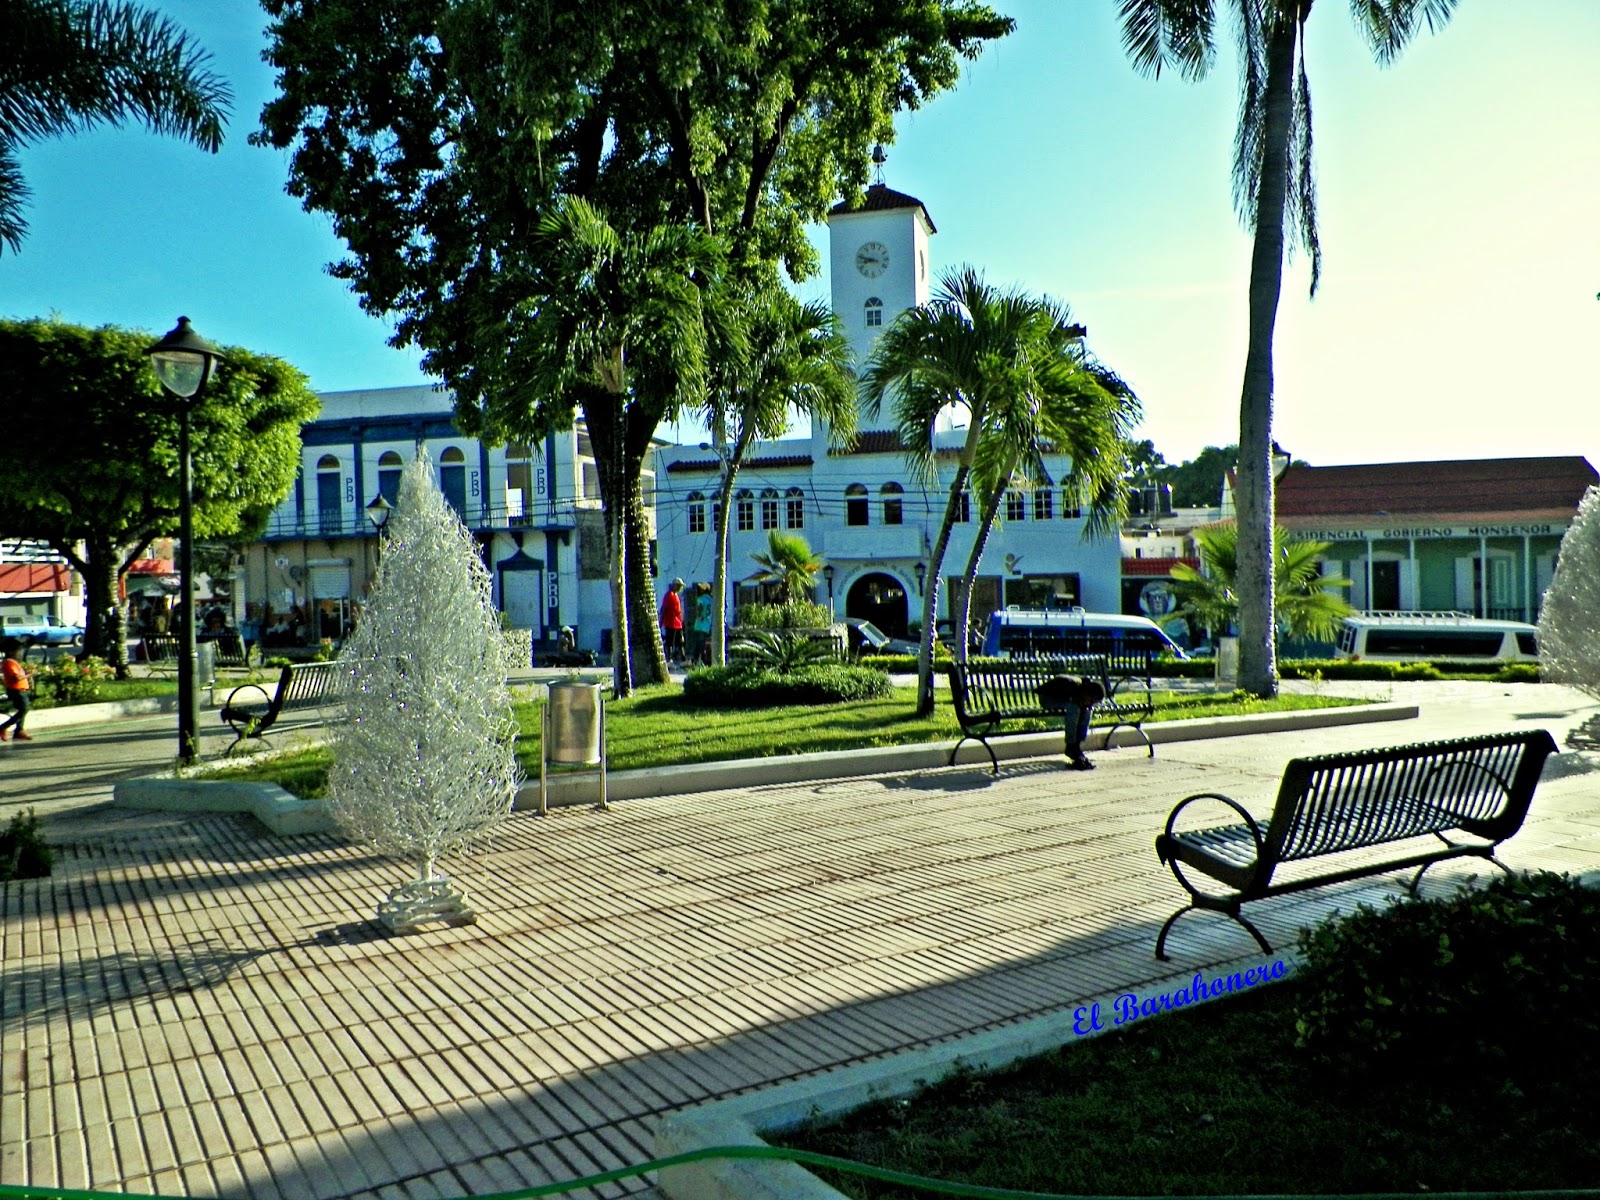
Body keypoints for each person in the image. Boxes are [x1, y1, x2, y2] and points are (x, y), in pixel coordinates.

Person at [1034, 674, 1105, 770]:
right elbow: (1045, 691)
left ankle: (1077, 745)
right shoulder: (1071, 686)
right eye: (1091, 700)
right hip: (1048, 698)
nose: (1092, 703)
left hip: (1066, 699)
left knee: (1087, 709)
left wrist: (1085, 706)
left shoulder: (1082, 690)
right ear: (1087, 694)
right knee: (1074, 708)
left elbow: (1083, 704)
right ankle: (1071, 745)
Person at [0, 642, 34, 742]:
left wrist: (26, 673)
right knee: (24, 709)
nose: (20, 653)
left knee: (23, 710)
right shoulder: (9, 663)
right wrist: (30, 675)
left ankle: (19, 731)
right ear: (11, 652)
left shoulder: (13, 663)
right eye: (18, 651)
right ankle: (3, 727)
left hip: (21, 690)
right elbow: (17, 677)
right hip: (16, 690)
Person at [659, 578, 686, 663]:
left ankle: (683, 659)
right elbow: (663, 609)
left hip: (678, 623)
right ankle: (668, 659)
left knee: (680, 641)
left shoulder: (676, 595)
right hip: (670, 623)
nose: (679, 588)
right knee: (670, 642)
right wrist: (661, 622)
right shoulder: (669, 595)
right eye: (678, 586)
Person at [690, 582, 714, 665]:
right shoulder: (711, 600)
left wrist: (699, 616)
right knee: (702, 644)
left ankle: (702, 661)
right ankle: (696, 660)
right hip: (707, 625)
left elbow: (700, 608)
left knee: (699, 645)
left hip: (700, 624)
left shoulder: (701, 599)